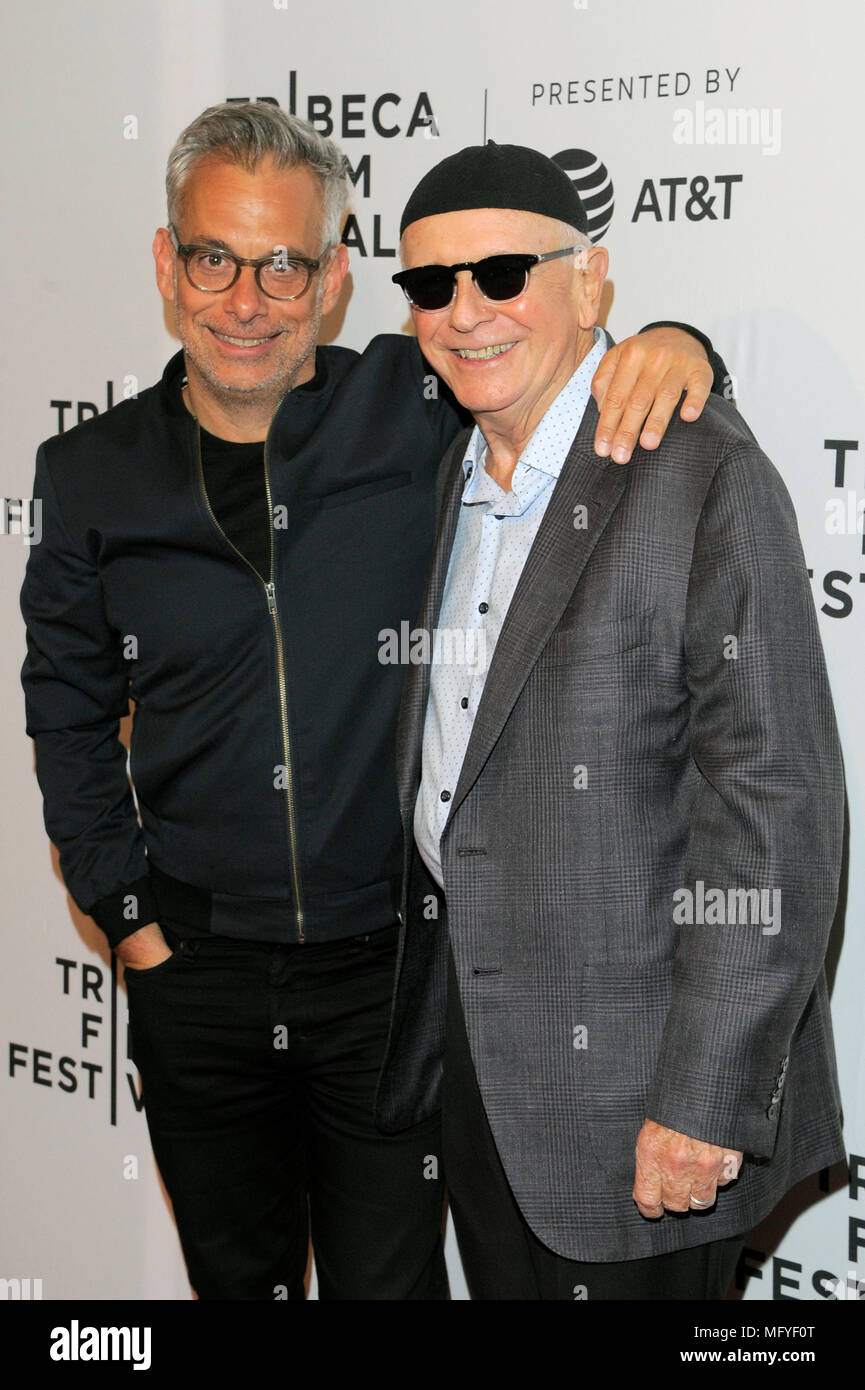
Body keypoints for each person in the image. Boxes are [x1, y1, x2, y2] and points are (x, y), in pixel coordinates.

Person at [21, 103, 728, 1301]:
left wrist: (676, 336)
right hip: (197, 975)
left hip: (389, 983)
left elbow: (551, 356)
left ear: (337, 276)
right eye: (213, 257)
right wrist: (130, 921)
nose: (246, 299)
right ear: (164, 262)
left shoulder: (415, 403)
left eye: (284, 262)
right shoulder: (89, 474)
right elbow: (66, 708)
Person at [376, 141, 845, 1301]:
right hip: (484, 1070)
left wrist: (702, 1100)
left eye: (501, 273)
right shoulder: (452, 472)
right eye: (430, 284)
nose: (464, 311)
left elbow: (774, 808)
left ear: (590, 283)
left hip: (646, 1096)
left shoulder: (698, 472)